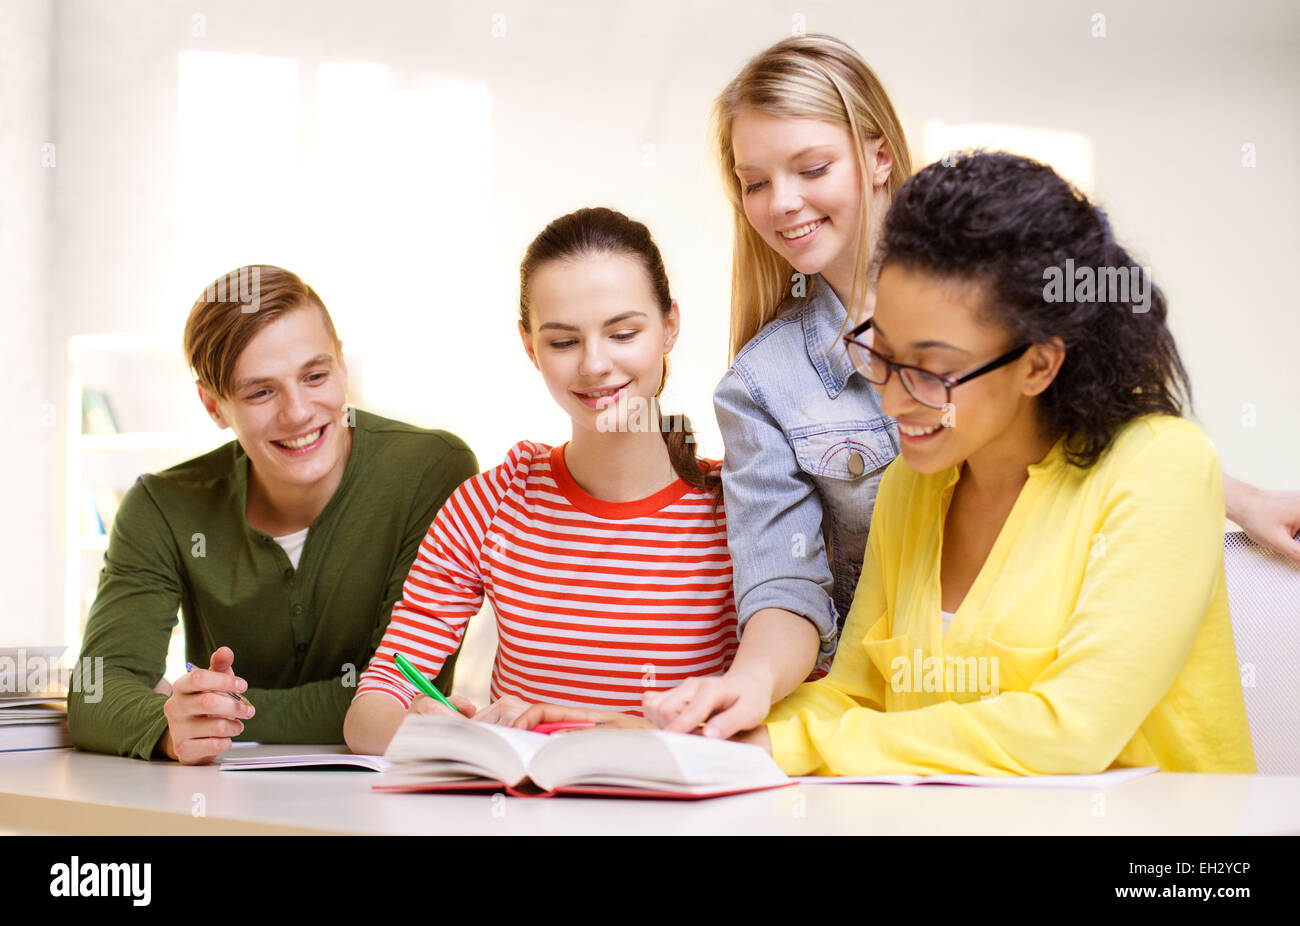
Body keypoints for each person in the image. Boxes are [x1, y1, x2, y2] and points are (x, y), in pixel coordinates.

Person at [644, 33, 1295, 742]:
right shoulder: (881, 466)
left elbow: (1109, 440)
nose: (782, 203)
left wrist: (1231, 495)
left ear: (877, 154)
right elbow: (796, 600)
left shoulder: (1012, 277)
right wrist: (745, 703)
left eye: (812, 167)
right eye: (755, 181)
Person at [727, 151, 1254, 774]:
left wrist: (796, 746)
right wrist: (716, 736)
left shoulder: (1162, 467)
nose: (893, 400)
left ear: (1038, 364)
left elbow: (1071, 731)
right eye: (882, 354)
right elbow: (853, 696)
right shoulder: (915, 482)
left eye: (931, 371)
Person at [343, 207, 737, 756]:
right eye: (562, 342)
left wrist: (640, 739)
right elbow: (371, 709)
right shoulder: (490, 504)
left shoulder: (739, 511)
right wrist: (437, 732)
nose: (595, 364)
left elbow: (798, 712)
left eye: (623, 332)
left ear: (670, 326)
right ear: (530, 346)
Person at [67, 266, 478, 764]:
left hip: (390, 800)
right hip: (219, 804)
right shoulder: (163, 506)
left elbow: (404, 692)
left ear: (342, 366)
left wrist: (213, 717)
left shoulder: (430, 471)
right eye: (260, 392)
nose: (298, 412)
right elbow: (95, 691)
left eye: (316, 375)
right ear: (213, 405)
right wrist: (168, 725)